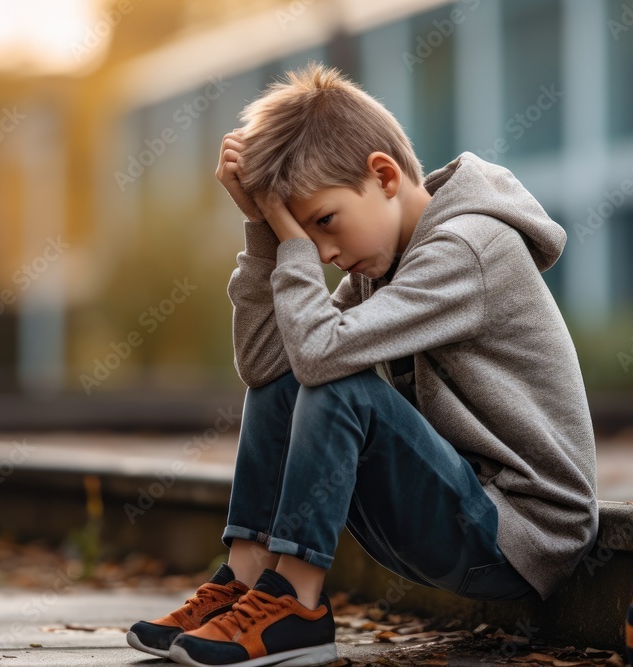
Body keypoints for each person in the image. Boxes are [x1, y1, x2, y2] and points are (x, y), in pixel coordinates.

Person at [127, 61, 598, 667]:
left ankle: (295, 605)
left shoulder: (468, 248)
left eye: (324, 222)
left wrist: (286, 239)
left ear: (383, 175)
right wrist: (262, 231)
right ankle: (245, 585)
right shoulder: (381, 265)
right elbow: (266, 365)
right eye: (307, 232)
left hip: (520, 535)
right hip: (458, 510)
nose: (323, 252)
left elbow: (321, 355)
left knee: (335, 382)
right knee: (290, 380)